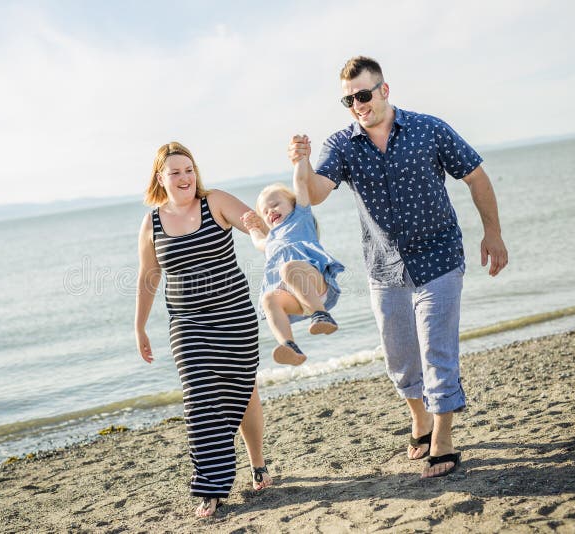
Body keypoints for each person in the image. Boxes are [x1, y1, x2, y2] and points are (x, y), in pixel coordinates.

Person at [289, 56, 508, 478]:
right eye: (349, 99)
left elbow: (476, 178)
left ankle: (442, 439)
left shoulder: (429, 129)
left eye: (364, 95)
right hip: (384, 270)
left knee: (436, 350)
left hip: (440, 258)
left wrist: (492, 234)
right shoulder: (342, 144)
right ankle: (420, 418)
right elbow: (314, 194)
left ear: (384, 90)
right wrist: (300, 163)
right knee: (401, 359)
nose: (358, 104)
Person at [135, 141, 273, 518]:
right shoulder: (152, 222)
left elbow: (255, 227)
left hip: (233, 315)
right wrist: (140, 327)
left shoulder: (215, 202)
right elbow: (149, 276)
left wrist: (261, 237)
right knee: (198, 397)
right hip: (187, 322)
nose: (184, 177)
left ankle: (257, 463)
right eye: (175, 171)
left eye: (189, 169)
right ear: (160, 177)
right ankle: (211, 487)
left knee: (243, 389)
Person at [240, 159, 345, 366]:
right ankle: (290, 346)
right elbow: (258, 240)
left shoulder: (300, 217)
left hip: (314, 284)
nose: (270, 211)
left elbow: (299, 181)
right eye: (265, 211)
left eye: (275, 204)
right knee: (269, 298)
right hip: (295, 299)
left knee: (289, 268)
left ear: (293, 204)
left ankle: (323, 315)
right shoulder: (270, 240)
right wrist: (252, 226)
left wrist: (299, 161)